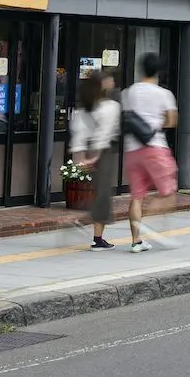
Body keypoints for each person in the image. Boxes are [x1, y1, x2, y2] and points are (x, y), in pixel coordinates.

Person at [123, 53, 178, 253]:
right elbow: (171, 121)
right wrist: (158, 121)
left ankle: (136, 241)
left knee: (136, 196)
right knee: (168, 192)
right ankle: (147, 225)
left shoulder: (128, 92)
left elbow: (127, 116)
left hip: (132, 150)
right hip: (155, 148)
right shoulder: (164, 94)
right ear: (158, 71)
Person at [69, 70, 120, 250]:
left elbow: (78, 135)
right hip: (102, 152)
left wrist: (79, 157)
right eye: (109, 80)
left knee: (100, 194)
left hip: (91, 150)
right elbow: (103, 135)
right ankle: (94, 235)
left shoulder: (84, 108)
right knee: (103, 195)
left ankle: (94, 234)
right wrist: (95, 156)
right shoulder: (111, 107)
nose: (112, 82)